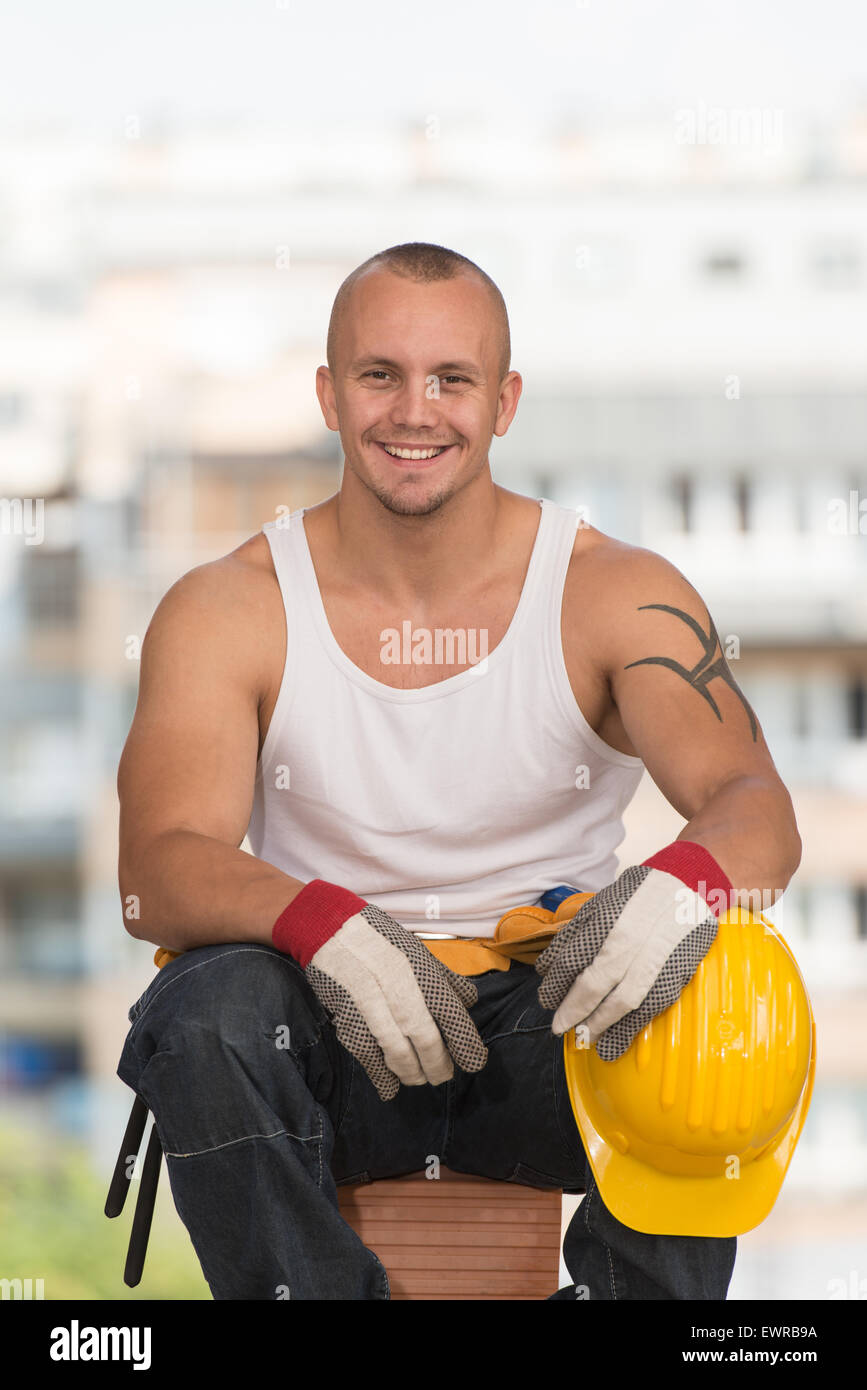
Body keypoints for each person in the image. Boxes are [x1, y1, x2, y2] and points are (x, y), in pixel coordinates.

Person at [115, 241, 801, 1300]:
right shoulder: (227, 605)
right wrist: (321, 922)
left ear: (506, 398)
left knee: (721, 977)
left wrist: (681, 887)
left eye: (453, 379)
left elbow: (756, 807)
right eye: (379, 375)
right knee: (204, 1013)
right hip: (327, 1033)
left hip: (558, 1030)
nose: (414, 410)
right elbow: (156, 869)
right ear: (329, 394)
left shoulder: (611, 588)